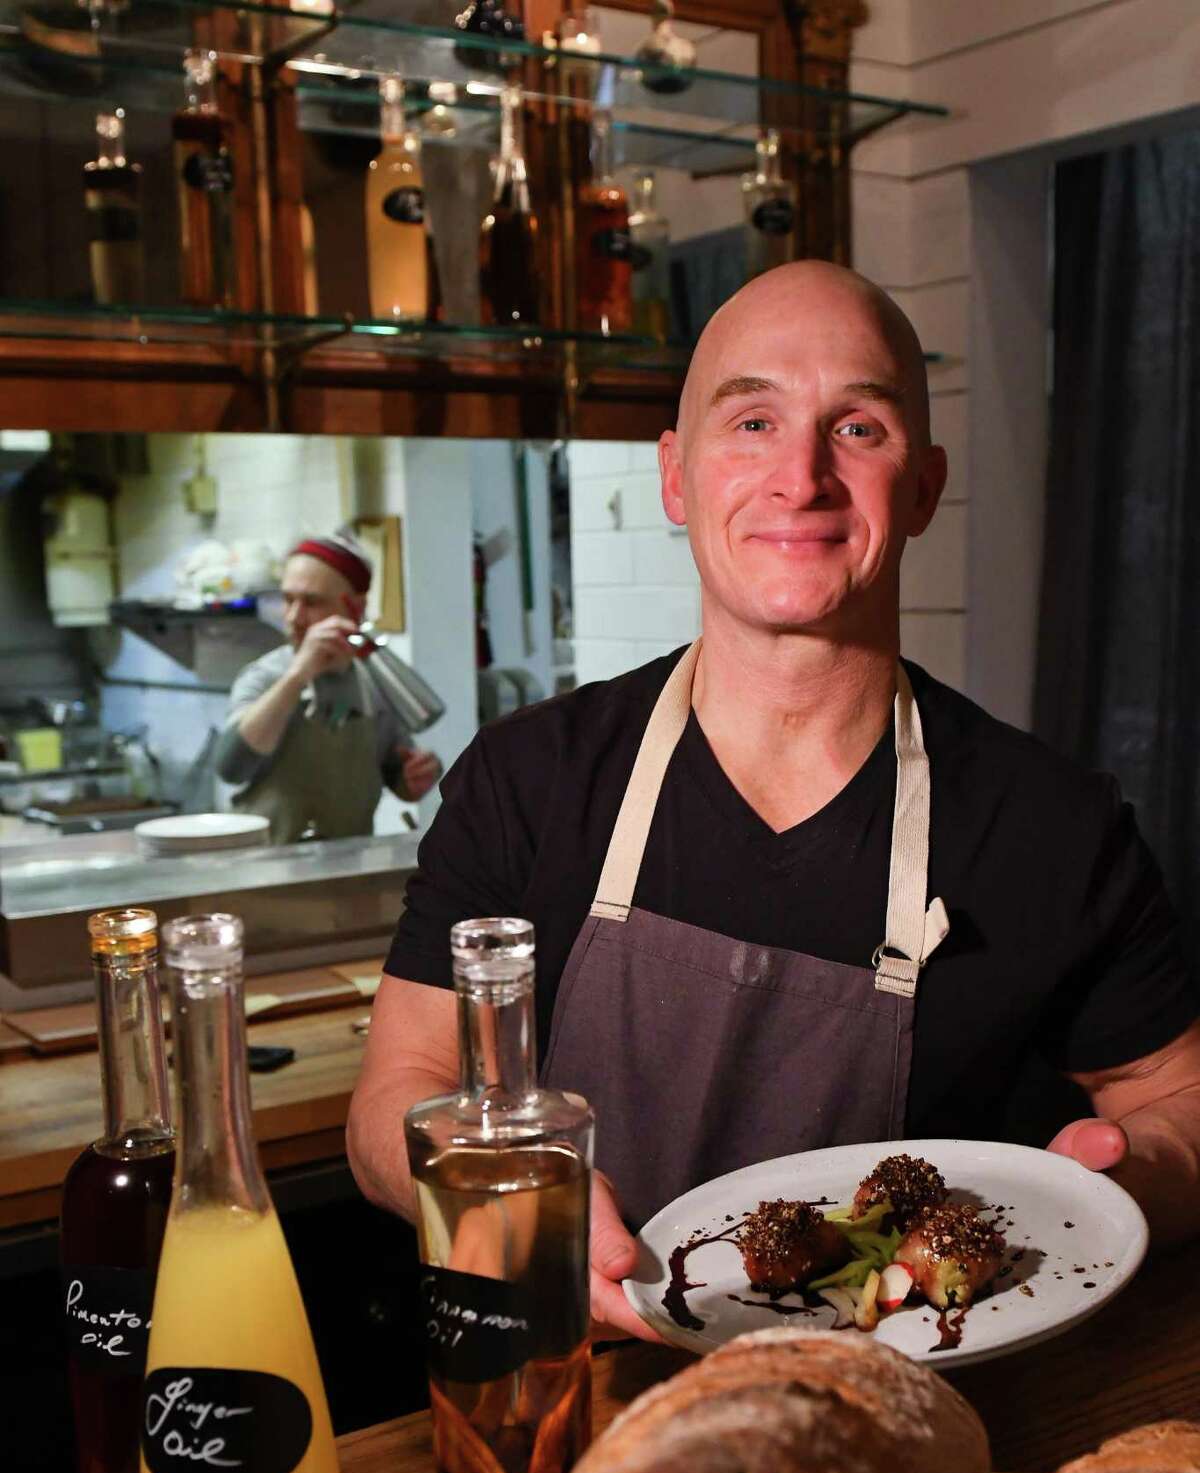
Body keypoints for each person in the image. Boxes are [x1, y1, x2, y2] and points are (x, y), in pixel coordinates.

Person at [346, 261, 1200, 1341]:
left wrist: (1132, 1178)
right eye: (752, 421)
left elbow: (1172, 1097)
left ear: (926, 486)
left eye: (858, 429)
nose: (801, 478)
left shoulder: (1055, 828)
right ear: (675, 476)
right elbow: (397, 1094)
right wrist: (502, 1205)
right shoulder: (531, 779)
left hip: (909, 1425)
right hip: (573, 1401)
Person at [214, 532, 441, 845]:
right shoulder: (264, 676)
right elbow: (231, 766)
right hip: (265, 870)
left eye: (312, 602)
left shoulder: (374, 682)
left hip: (347, 869)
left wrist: (418, 773)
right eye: (288, 600)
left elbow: (396, 775)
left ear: (355, 608)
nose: (294, 617)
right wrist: (297, 675)